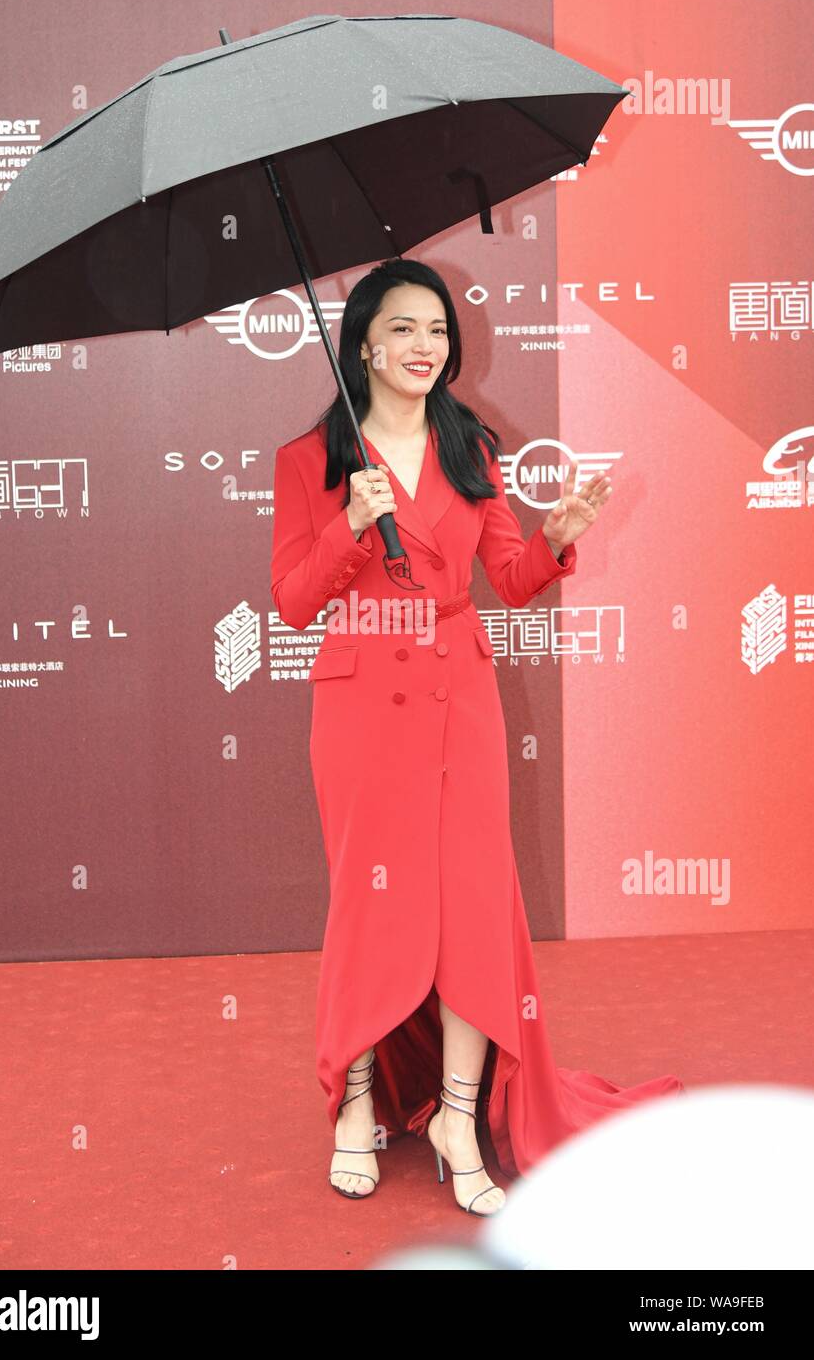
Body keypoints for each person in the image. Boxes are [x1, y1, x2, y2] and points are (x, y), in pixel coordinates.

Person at [270, 258, 682, 1216]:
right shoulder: (309, 460)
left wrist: (558, 533)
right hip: (362, 703)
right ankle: (355, 1103)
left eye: (438, 332)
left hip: (463, 699)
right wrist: (348, 529)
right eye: (405, 329)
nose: (425, 348)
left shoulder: (469, 446)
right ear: (363, 341)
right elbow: (291, 603)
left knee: (469, 905)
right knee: (372, 906)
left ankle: (460, 1116)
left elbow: (512, 576)